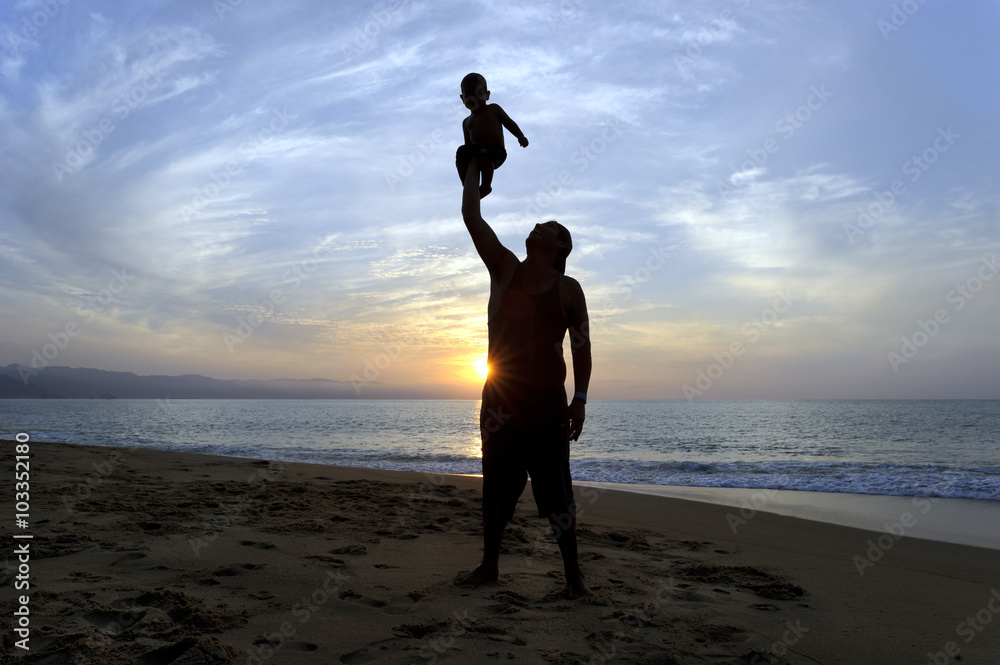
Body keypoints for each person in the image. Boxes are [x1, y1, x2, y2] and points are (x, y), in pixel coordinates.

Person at [454, 155, 592, 599]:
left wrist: (581, 398)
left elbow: (582, 348)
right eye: (535, 226)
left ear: (559, 247)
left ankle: (574, 579)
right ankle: (489, 566)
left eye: (545, 229)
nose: (534, 228)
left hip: (549, 405)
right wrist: (473, 166)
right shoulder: (505, 270)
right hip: (500, 401)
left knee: (557, 494)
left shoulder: (569, 291)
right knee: (496, 487)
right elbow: (472, 217)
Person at [455, 72, 529, 199]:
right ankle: (466, 184)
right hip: (477, 151)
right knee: (462, 151)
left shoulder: (493, 109)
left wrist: (520, 136)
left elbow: (508, 122)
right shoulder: (466, 122)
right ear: (463, 99)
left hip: (495, 151)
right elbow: (468, 142)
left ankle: (485, 186)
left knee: (484, 155)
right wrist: (467, 157)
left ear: (487, 95)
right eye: (469, 96)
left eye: (478, 94)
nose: (474, 99)